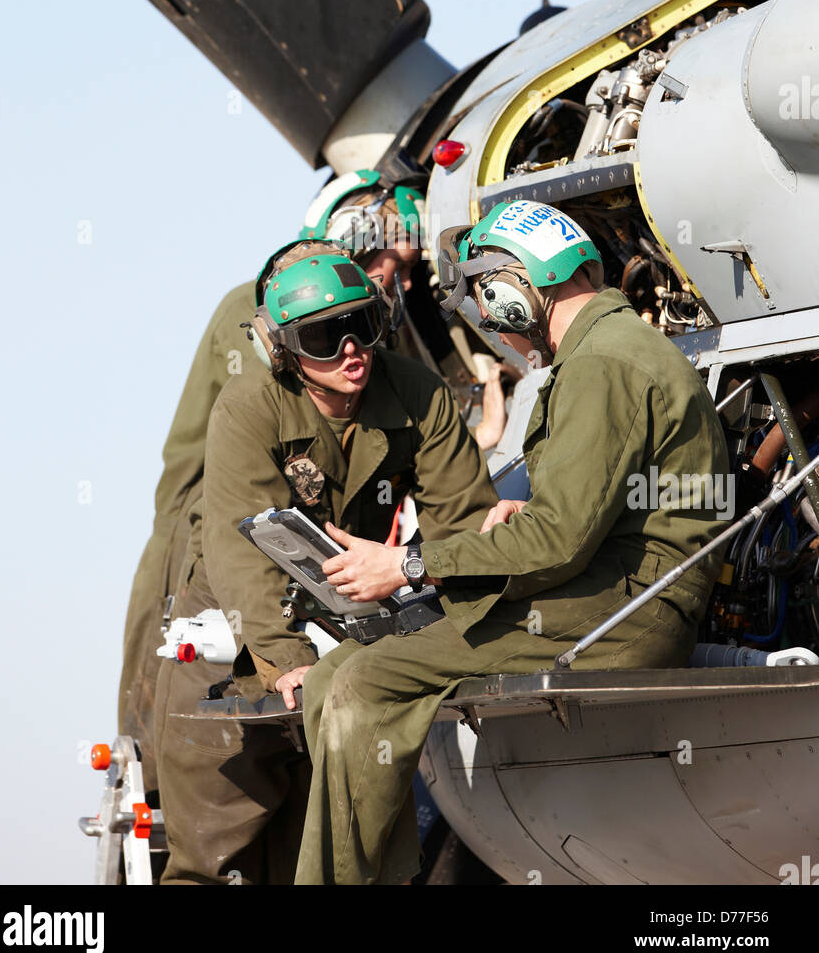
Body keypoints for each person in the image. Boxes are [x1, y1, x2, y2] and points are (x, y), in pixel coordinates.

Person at [293, 199, 730, 886]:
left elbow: (557, 541)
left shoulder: (602, 364)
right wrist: (521, 518)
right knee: (331, 675)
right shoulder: (611, 352)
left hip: (620, 614)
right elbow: (578, 517)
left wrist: (407, 563)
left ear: (513, 287)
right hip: (600, 592)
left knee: (362, 682)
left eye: (486, 298)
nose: (491, 320)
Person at [154, 239, 497, 884]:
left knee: (317, 847)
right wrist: (285, 660)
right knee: (213, 849)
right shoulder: (248, 407)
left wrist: (437, 595)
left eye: (362, 326)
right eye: (323, 336)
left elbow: (465, 523)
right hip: (235, 617)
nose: (351, 350)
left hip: (346, 614)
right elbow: (239, 549)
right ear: (283, 351)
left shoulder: (417, 393)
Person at [118, 170, 424, 797]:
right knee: (191, 755)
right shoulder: (256, 318)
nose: (408, 281)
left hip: (296, 548)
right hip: (206, 540)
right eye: (397, 262)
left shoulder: (368, 334)